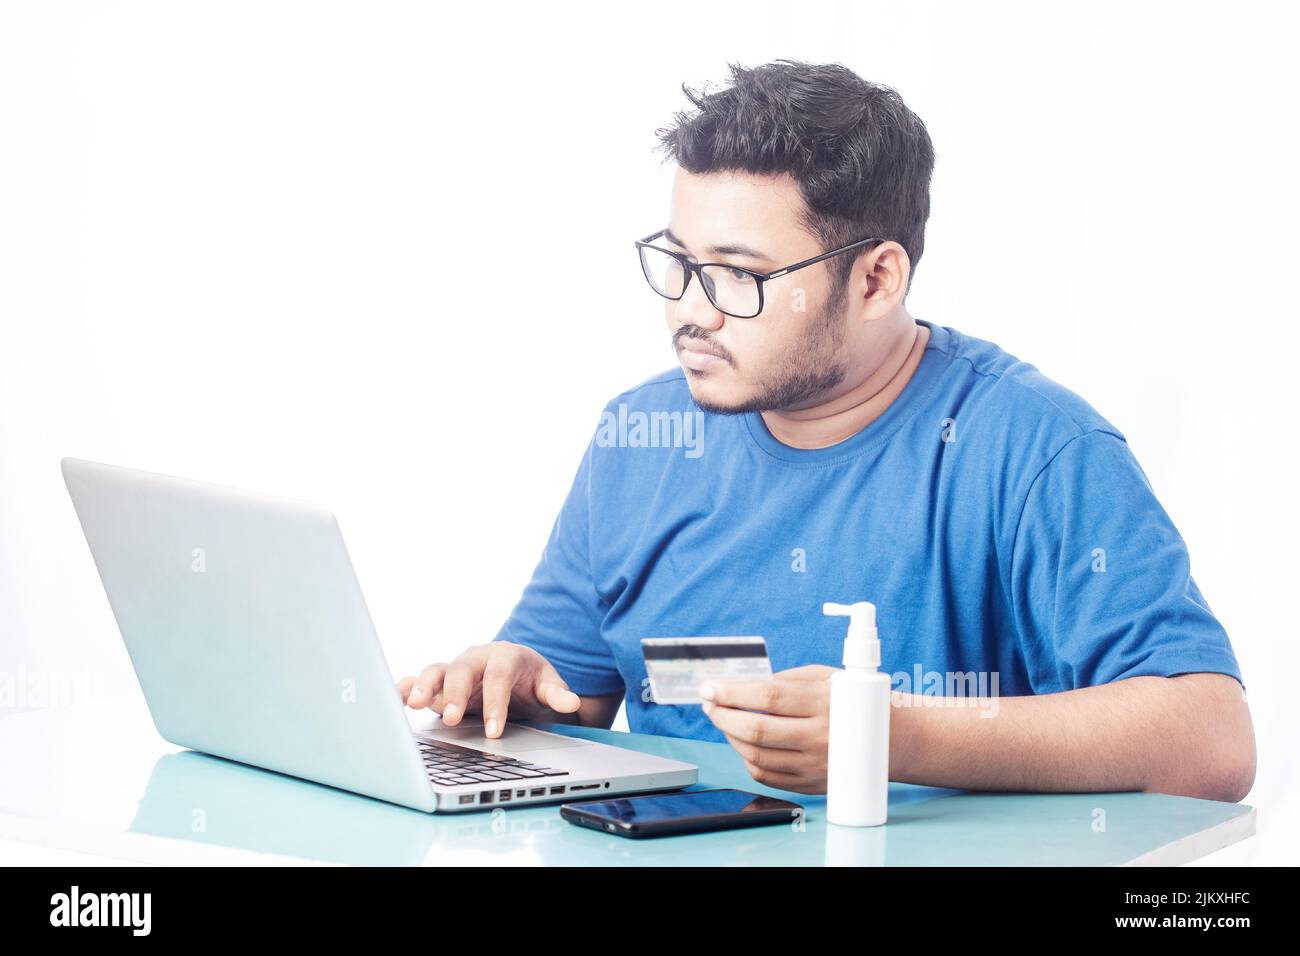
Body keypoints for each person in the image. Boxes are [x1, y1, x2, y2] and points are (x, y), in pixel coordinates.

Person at [398, 60, 1254, 801]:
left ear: (878, 278)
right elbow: (567, 698)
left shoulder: (1036, 452)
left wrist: (888, 734)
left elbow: (1209, 740)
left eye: (739, 276)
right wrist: (499, 685)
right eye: (680, 264)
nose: (690, 314)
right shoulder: (642, 436)